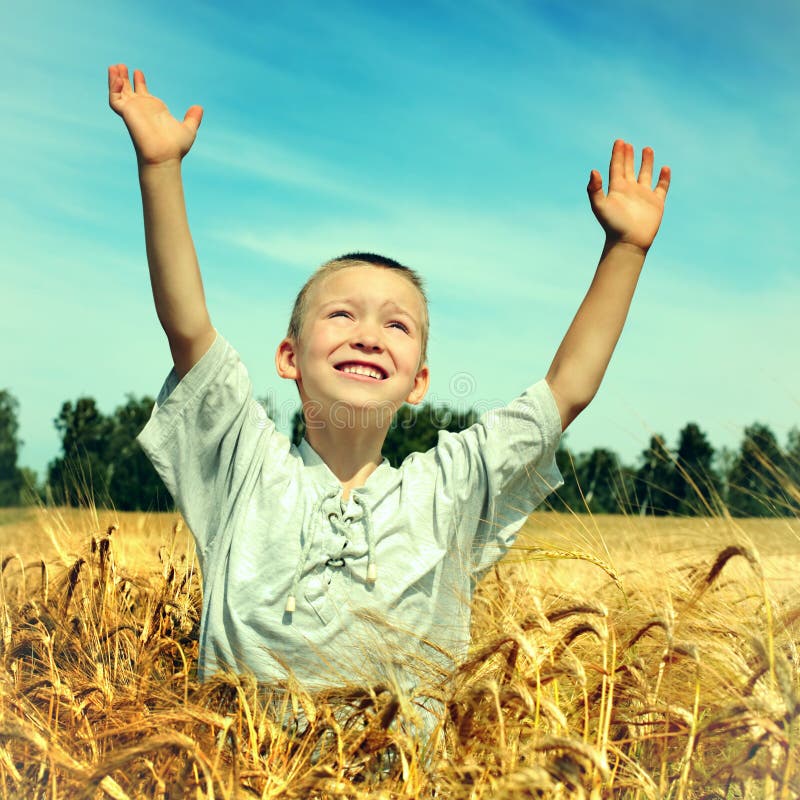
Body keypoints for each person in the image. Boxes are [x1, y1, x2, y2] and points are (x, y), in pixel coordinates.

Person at [108, 63, 670, 743]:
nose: (369, 335)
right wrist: (160, 169)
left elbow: (566, 390)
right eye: (341, 315)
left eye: (396, 325)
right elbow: (189, 328)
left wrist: (626, 249)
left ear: (419, 383)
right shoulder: (242, 469)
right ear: (289, 359)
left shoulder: (451, 488)